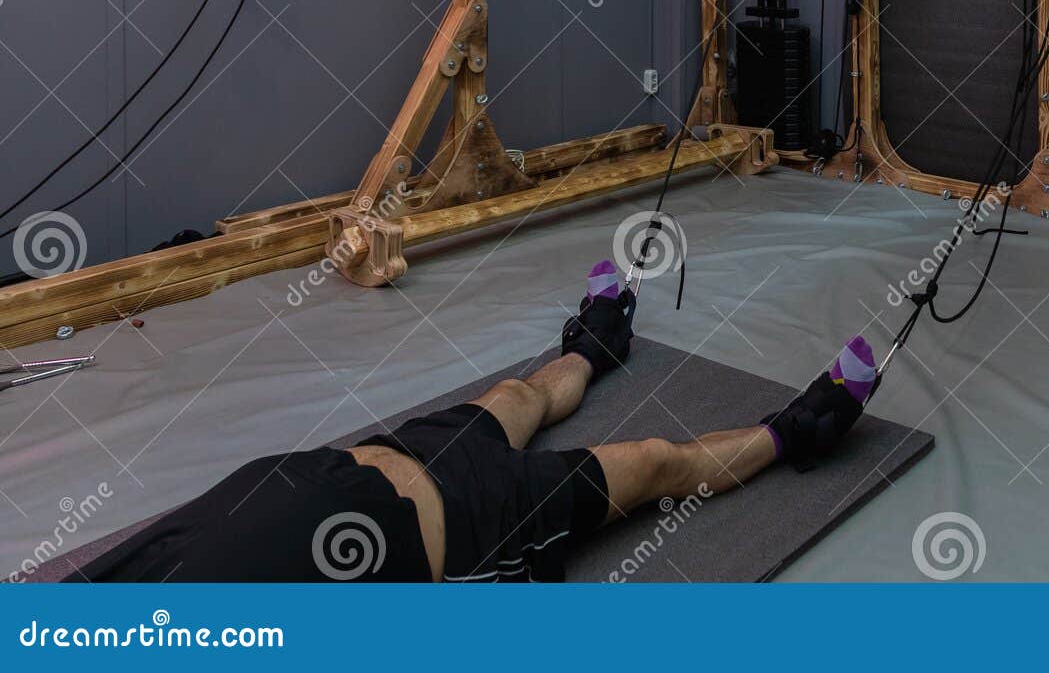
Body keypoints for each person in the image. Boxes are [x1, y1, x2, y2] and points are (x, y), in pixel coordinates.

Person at [73, 261, 875, 583]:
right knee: (654, 461)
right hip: (473, 520)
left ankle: (595, 342)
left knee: (520, 395)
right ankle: (797, 431)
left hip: (369, 458)